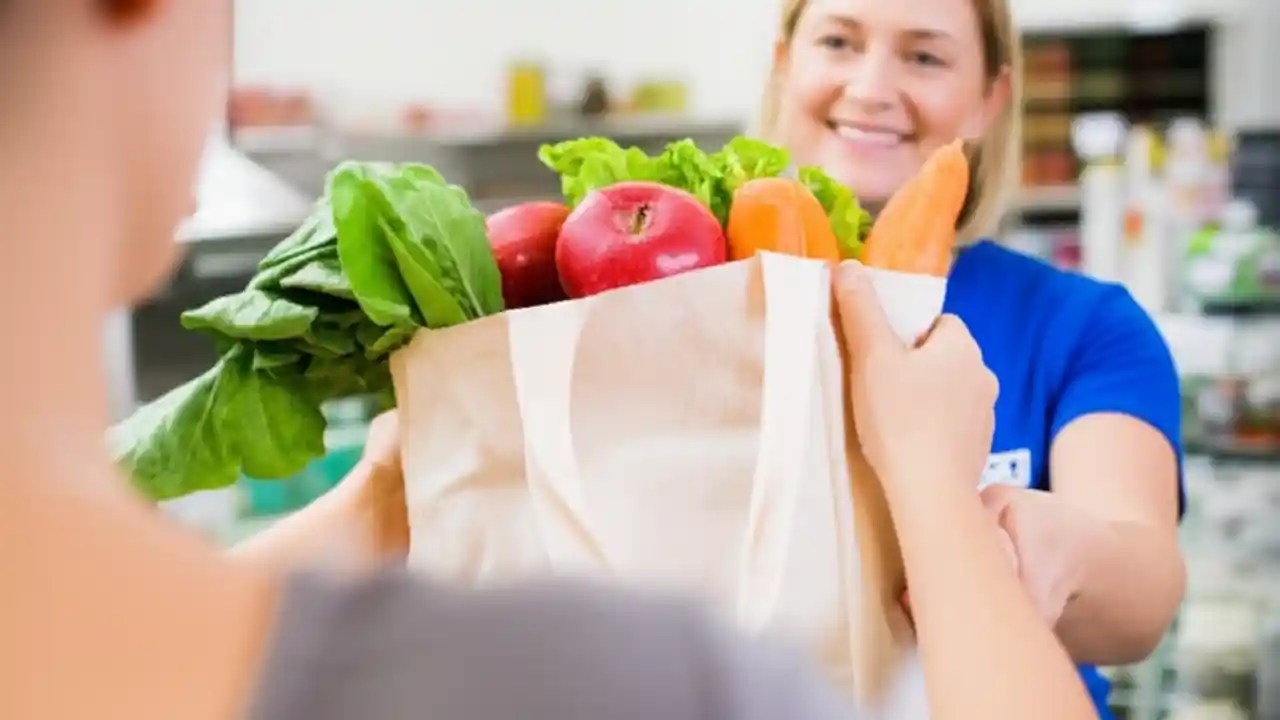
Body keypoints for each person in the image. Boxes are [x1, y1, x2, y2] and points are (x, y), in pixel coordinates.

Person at [2, 1, 1097, 719]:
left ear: (987, 94)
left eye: (920, 53)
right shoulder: (617, 681)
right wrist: (927, 475)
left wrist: (393, 490)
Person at [758, 0, 1187, 715]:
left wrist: (1066, 550)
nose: (870, 87)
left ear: (991, 98)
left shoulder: (1081, 325)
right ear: (783, 65)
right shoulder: (689, 298)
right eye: (838, 41)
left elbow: (1143, 593)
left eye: (924, 56)